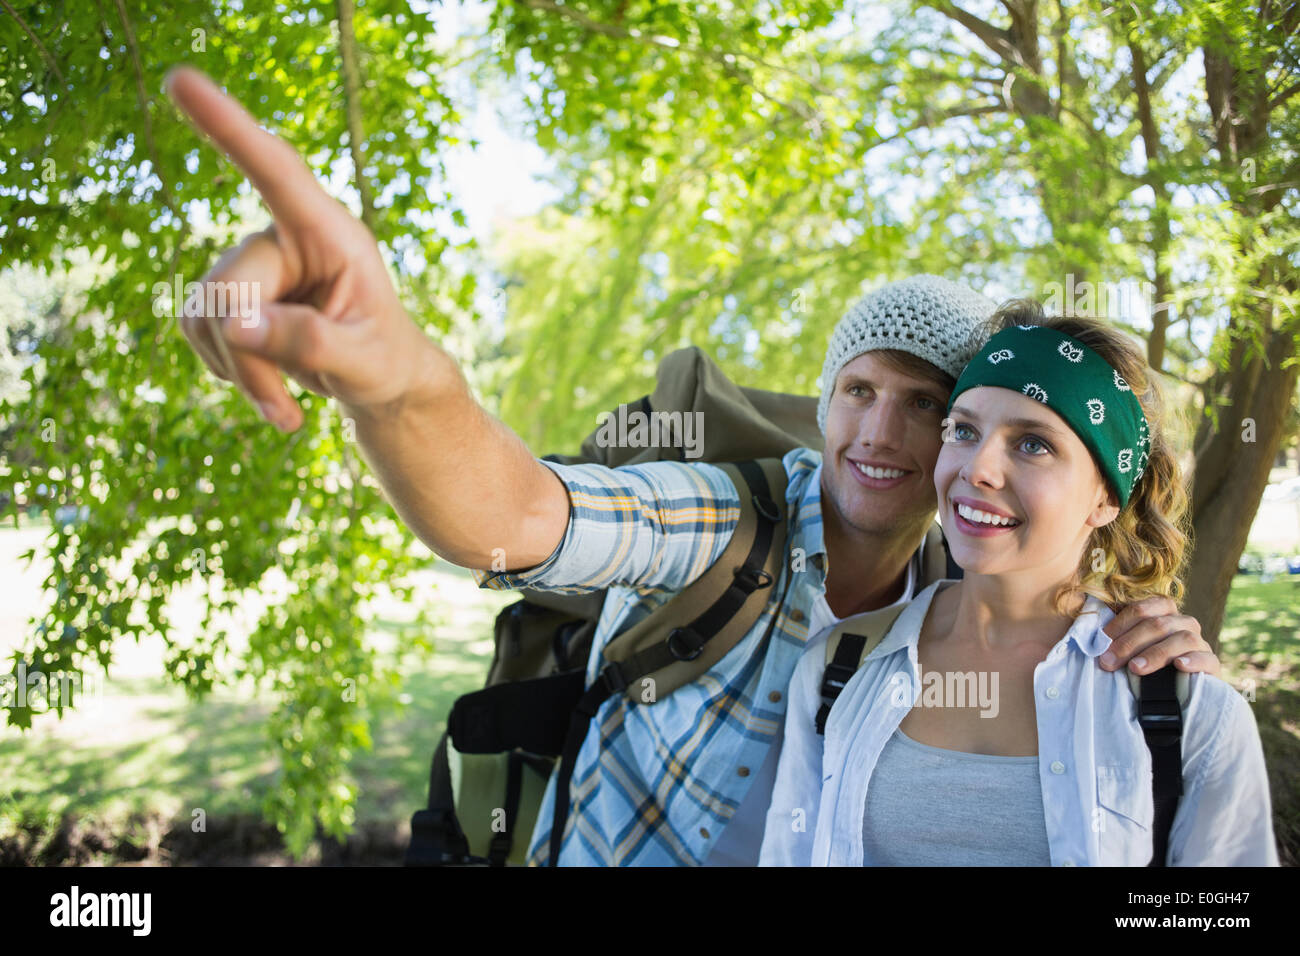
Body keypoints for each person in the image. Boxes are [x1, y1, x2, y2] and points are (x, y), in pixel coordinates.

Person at [162, 67, 1224, 866]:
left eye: (925, 407)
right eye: (857, 391)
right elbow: (521, 510)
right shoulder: (728, 526)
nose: (879, 433)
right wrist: (396, 382)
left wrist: (1168, 685)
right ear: (824, 403)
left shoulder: (960, 599)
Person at [760, 303, 1278, 866]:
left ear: (1105, 497)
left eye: (1033, 444)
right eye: (963, 430)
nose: (977, 468)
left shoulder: (1187, 710)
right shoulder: (839, 668)